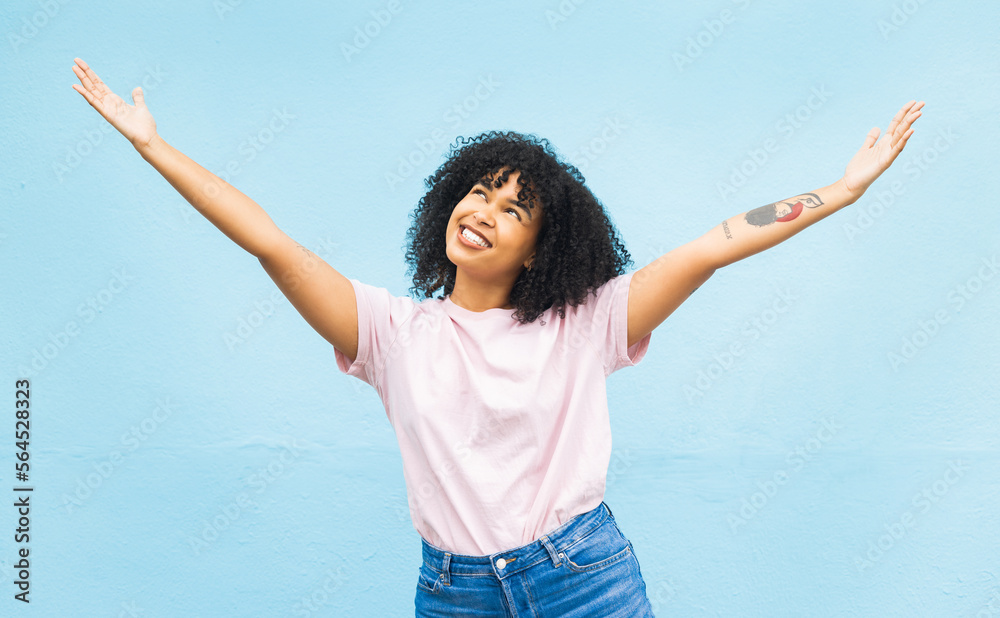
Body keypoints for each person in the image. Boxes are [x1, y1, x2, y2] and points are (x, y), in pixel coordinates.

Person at [71, 57, 923, 616]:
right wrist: (155, 147)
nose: (484, 211)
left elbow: (715, 244)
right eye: (480, 192)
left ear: (539, 248)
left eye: (514, 209)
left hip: (583, 577)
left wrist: (838, 193)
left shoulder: (586, 322)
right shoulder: (390, 333)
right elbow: (269, 240)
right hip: (454, 590)